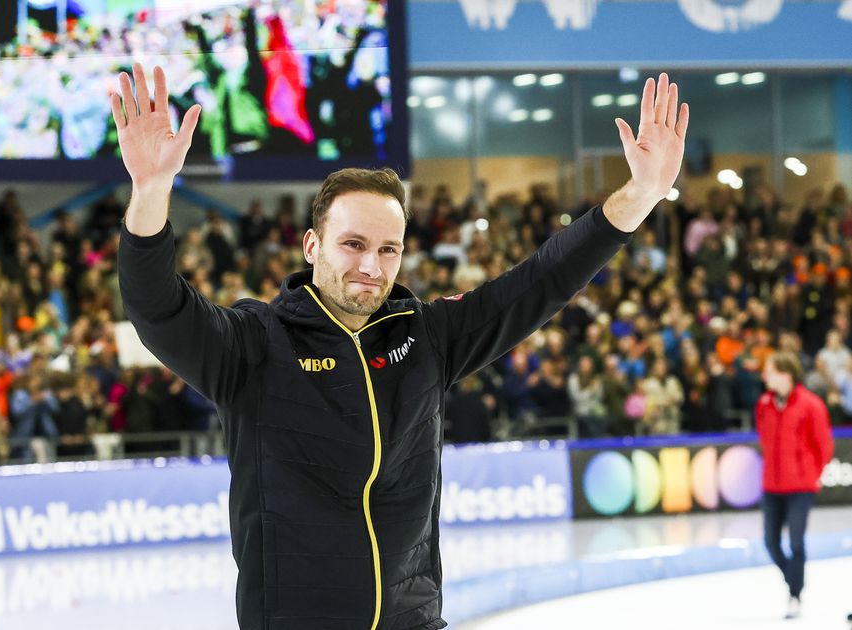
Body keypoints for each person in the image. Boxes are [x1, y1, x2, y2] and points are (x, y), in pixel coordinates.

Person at [111, 63, 688, 630]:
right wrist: (152, 191)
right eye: (354, 244)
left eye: (389, 249)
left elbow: (541, 281)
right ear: (312, 245)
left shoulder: (428, 337)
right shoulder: (252, 345)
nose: (371, 266)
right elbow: (157, 307)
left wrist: (638, 196)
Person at [757, 351, 835, 620]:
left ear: (786, 373)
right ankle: (794, 581)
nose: (765, 375)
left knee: (796, 540)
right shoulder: (764, 403)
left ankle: (795, 593)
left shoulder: (811, 405)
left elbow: (824, 445)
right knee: (770, 541)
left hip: (801, 485)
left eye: (770, 370)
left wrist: (812, 473)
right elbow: (764, 437)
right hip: (772, 484)